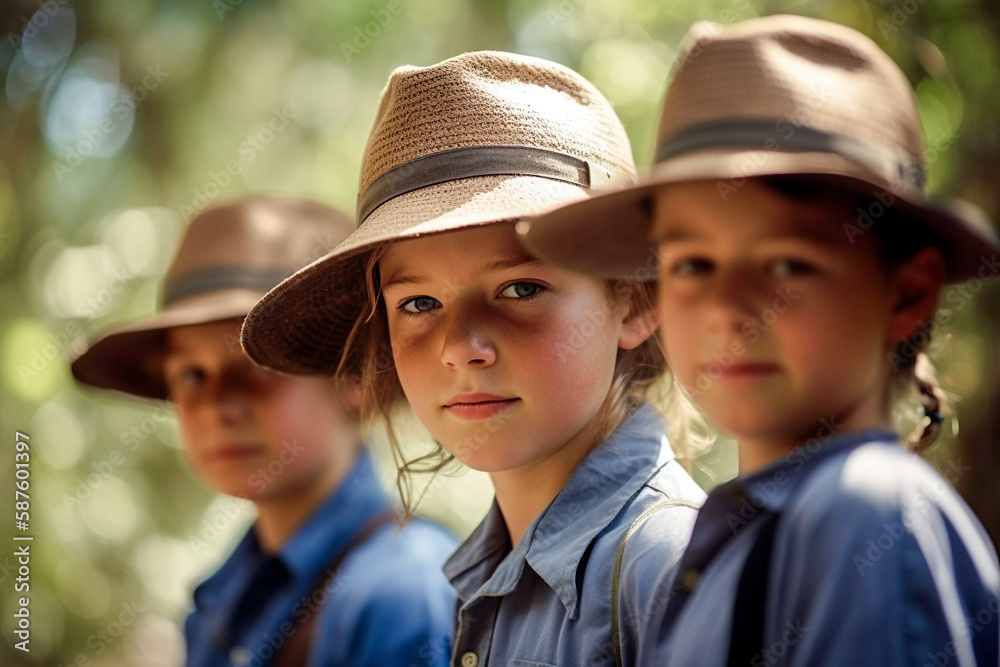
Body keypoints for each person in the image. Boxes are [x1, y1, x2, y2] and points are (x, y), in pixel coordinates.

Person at [521, 14, 1000, 667]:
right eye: (692, 264)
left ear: (908, 292)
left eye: (787, 265)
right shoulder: (725, 543)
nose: (728, 309)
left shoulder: (863, 514)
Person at [240, 52, 706, 666]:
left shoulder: (670, 567)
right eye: (419, 302)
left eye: (521, 290)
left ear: (634, 299)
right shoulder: (479, 581)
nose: (461, 347)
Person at [71, 197, 457, 667]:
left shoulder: (402, 594)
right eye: (191, 375)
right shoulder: (219, 597)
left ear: (355, 377)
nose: (218, 407)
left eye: (256, 366)